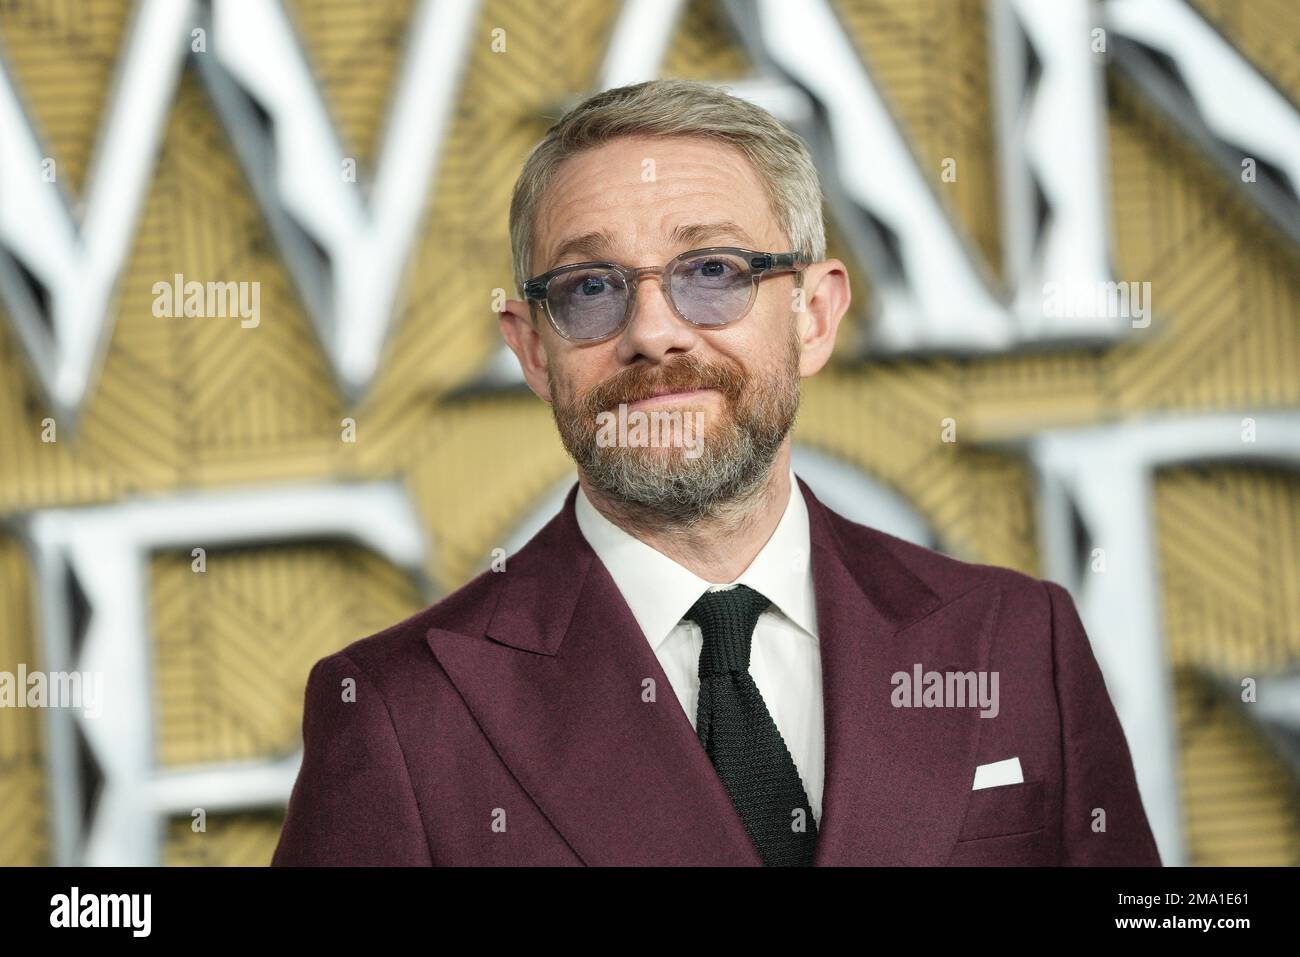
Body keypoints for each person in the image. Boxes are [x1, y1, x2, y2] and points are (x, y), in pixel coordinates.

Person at [272, 79, 1161, 867]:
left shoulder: (1017, 637)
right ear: (532, 349)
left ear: (813, 315)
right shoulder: (396, 713)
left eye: (713, 270)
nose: (653, 331)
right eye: (590, 286)